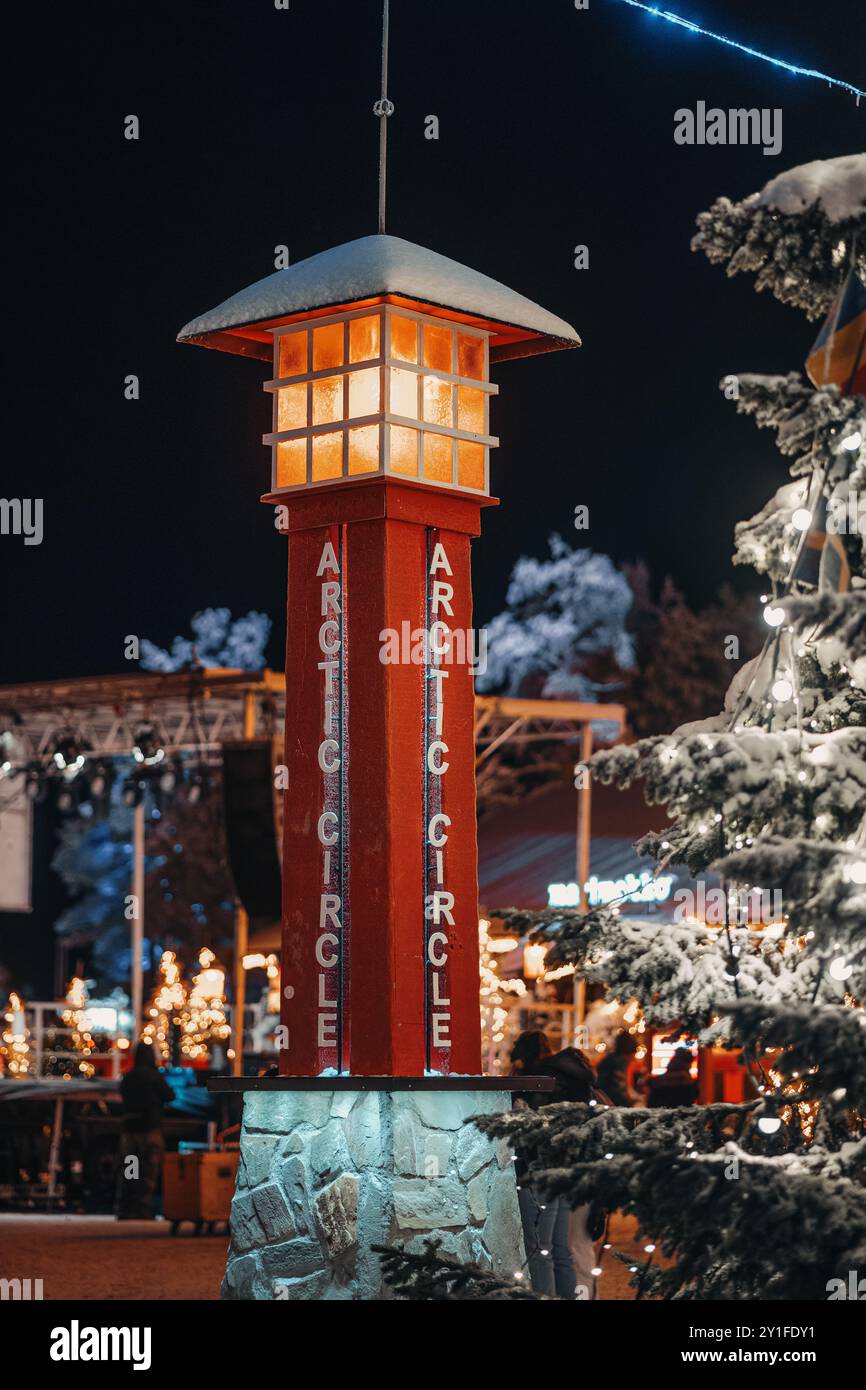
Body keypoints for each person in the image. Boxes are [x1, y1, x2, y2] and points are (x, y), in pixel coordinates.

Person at [510, 1030, 600, 1299]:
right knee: (560, 1250)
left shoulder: (537, 1081)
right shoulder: (573, 1080)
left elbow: (532, 1128)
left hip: (540, 1171)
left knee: (540, 1250)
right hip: (570, 1169)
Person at [116, 1042, 175, 1219]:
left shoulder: (128, 1077)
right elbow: (169, 1095)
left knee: (130, 1171)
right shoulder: (153, 1076)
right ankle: (142, 1209)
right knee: (148, 1172)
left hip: (130, 1131)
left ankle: (125, 1208)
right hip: (149, 1130)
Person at [596, 1030, 638, 1107]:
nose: (632, 1059)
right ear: (627, 1053)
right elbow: (619, 1093)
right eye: (631, 1056)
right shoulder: (618, 1066)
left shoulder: (609, 1061)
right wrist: (633, 1103)